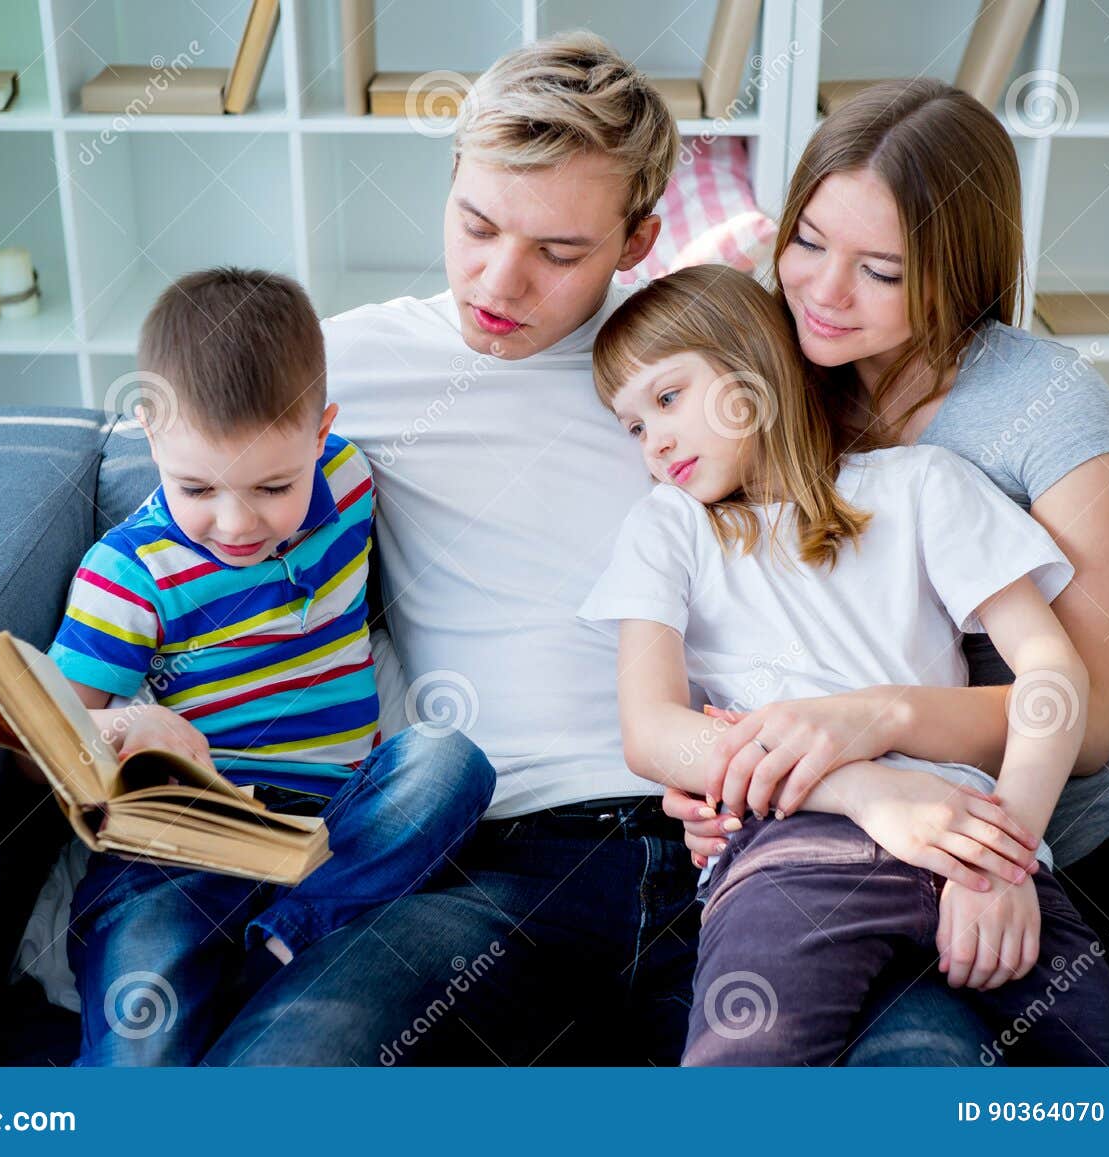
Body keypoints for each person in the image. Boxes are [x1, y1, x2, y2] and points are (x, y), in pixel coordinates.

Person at [197, 37, 1028, 1067]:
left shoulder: (698, 360)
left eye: (558, 251)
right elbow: (183, 496)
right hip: (507, 858)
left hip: (767, 849)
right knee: (294, 1056)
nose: (500, 279)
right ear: (451, 180)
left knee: (925, 1071)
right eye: (477, 224)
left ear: (638, 239)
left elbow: (956, 461)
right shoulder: (347, 363)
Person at [665, 79, 1109, 1066]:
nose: (822, 291)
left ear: (956, 271)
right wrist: (742, 774)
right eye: (808, 241)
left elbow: (1087, 726)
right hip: (948, 866)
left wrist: (870, 718)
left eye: (880, 269)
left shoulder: (1042, 398)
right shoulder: (768, 379)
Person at [578, 265, 1109, 1066]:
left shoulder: (921, 485)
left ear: (757, 369)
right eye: (631, 426)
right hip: (795, 851)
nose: (654, 441)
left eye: (667, 398)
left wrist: (1007, 855)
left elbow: (1056, 674)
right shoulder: (668, 529)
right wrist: (864, 790)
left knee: (1108, 1057)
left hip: (972, 836)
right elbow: (652, 730)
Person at [52, 268, 496, 1065]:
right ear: (149, 432)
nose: (235, 522)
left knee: (448, 761)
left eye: (272, 485)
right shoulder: (127, 574)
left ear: (322, 432)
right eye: (196, 486)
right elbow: (46, 724)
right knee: (144, 1012)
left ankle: (283, 945)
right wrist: (122, 720)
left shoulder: (350, 483)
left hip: (329, 830)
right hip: (186, 842)